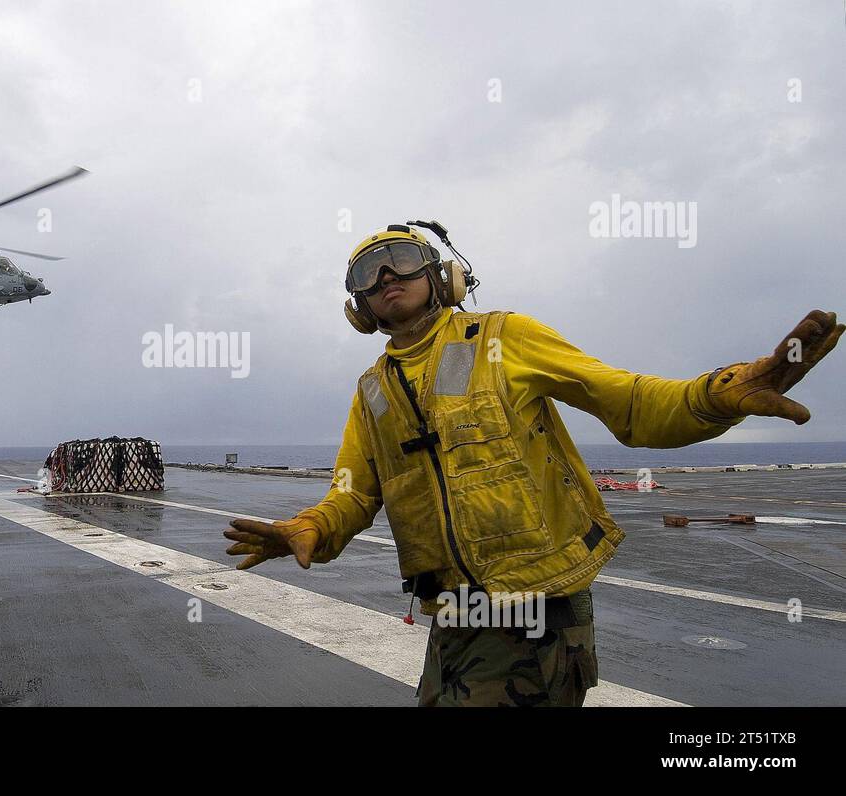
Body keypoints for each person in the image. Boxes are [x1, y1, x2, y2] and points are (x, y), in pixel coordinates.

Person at [223, 222, 843, 707]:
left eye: (404, 259)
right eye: (368, 270)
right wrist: (312, 528)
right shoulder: (374, 390)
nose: (388, 273)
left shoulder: (501, 337)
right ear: (359, 304)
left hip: (538, 606)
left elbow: (628, 401)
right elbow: (354, 492)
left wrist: (716, 392)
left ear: (442, 275)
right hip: (456, 616)